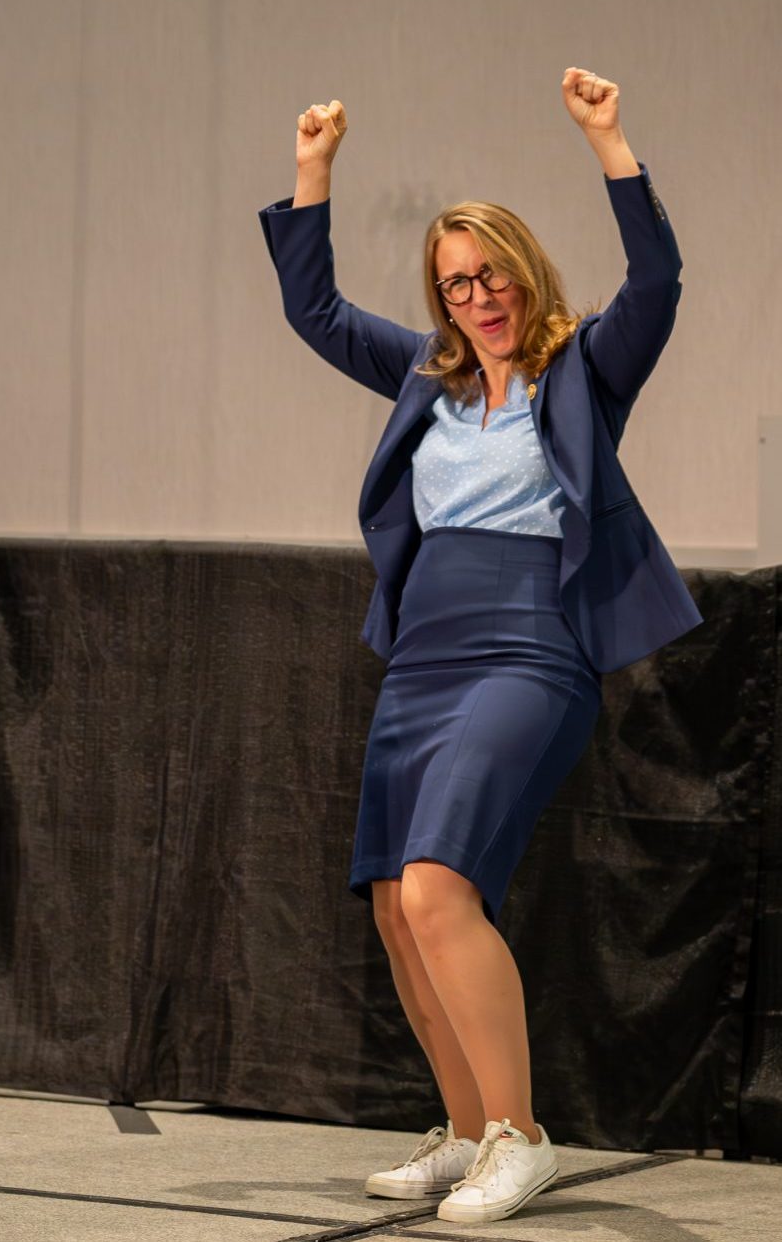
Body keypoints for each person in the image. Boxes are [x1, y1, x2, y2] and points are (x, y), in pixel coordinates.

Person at [259, 70, 698, 1224]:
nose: (475, 295)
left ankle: (519, 1132)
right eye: (454, 282)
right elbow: (314, 312)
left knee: (441, 883)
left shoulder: (583, 372)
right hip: (423, 657)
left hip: (529, 650)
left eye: (489, 272)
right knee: (395, 906)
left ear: (522, 270)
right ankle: (462, 1131)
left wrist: (608, 138)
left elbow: (655, 279)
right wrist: (314, 171)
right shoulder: (425, 373)